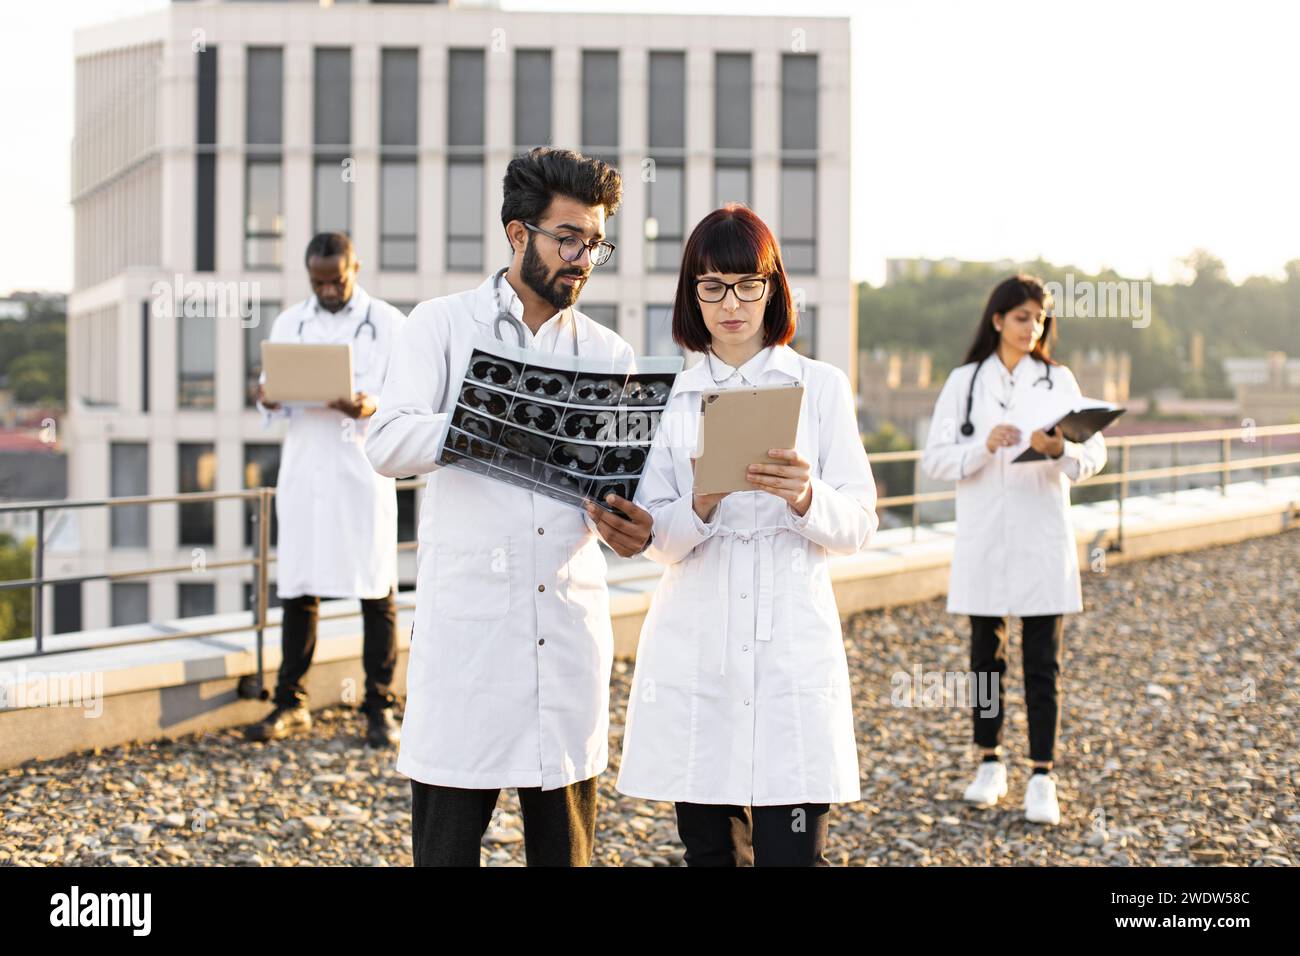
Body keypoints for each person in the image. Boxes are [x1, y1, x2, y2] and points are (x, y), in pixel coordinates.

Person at [365, 148, 654, 867]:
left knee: (566, 857)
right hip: (470, 644)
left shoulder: (611, 353)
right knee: (446, 854)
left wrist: (632, 527)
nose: (583, 258)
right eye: (568, 239)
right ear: (517, 233)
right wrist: (487, 422)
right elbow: (387, 442)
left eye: (596, 243)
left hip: (567, 637)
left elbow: (625, 494)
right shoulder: (438, 325)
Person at [614, 204, 879, 866]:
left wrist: (804, 496)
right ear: (691, 295)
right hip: (697, 642)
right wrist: (699, 503)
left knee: (795, 853)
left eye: (746, 284)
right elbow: (658, 539)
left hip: (789, 642)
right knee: (712, 855)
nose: (731, 303)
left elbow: (860, 524)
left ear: (773, 287)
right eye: (713, 286)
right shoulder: (668, 397)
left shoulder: (819, 387)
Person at [920, 274, 1107, 826]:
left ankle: (1043, 775)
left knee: (1042, 663)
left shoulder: (1057, 380)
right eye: (1023, 317)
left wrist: (1059, 450)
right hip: (984, 537)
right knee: (985, 660)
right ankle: (989, 762)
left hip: (1041, 533)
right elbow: (935, 460)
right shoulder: (963, 381)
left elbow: (1094, 454)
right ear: (998, 319)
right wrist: (983, 446)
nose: (1033, 327)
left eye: (1041, 318)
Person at [245, 233, 406, 749]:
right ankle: (290, 701)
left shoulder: (388, 323)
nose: (328, 289)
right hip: (306, 470)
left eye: (336, 279)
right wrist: (268, 397)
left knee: (375, 588)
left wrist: (369, 405)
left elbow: (408, 400)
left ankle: (379, 705)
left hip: (362, 470)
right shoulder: (290, 321)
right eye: (318, 281)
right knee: (298, 586)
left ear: (355, 268)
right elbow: (273, 403)